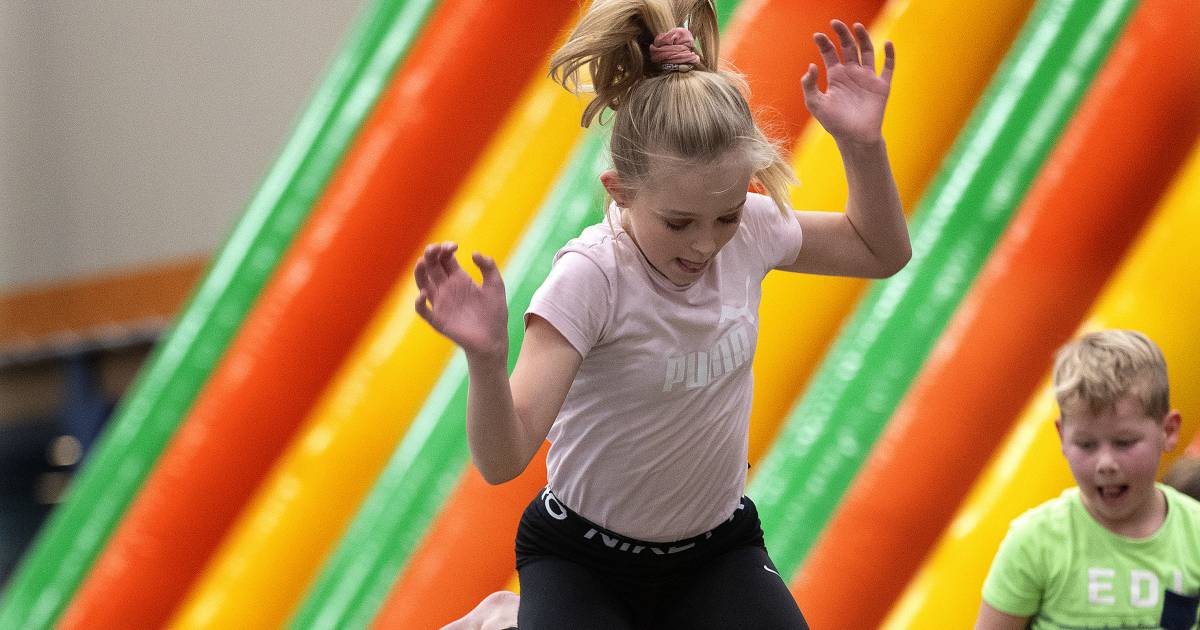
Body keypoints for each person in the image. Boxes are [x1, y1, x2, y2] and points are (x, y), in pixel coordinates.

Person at [415, 1, 909, 627]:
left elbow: (878, 251)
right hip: (582, 558)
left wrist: (861, 146)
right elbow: (501, 459)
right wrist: (486, 359)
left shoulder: (751, 233)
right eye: (679, 223)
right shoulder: (593, 278)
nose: (705, 244)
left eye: (726, 215)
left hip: (715, 550)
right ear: (620, 191)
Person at [975, 330, 1200, 630]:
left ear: (1168, 431)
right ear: (1062, 438)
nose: (1105, 464)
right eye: (1086, 445)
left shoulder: (1194, 535)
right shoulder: (1036, 542)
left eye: (1124, 442)